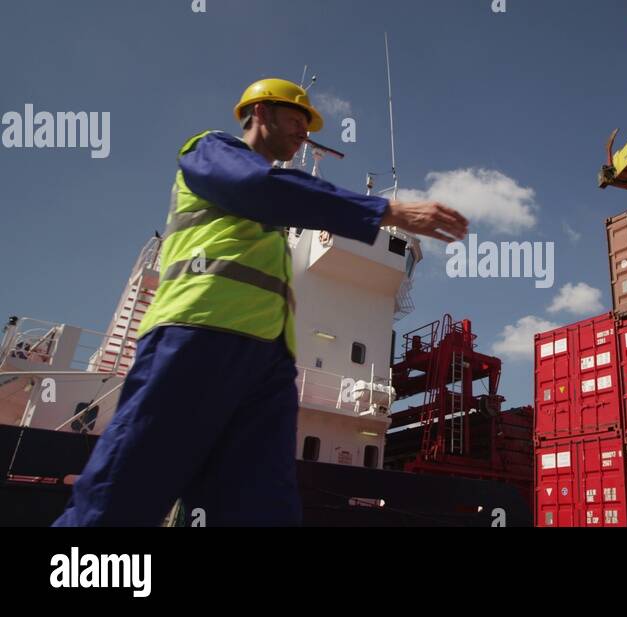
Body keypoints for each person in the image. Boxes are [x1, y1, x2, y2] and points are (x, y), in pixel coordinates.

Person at [54, 78, 468, 526]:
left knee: (264, 505)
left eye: (308, 126)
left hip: (269, 364)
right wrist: (386, 212)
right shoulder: (209, 151)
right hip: (197, 334)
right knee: (129, 487)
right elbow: (262, 187)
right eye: (296, 119)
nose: (303, 133)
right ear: (261, 113)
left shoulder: (272, 226)